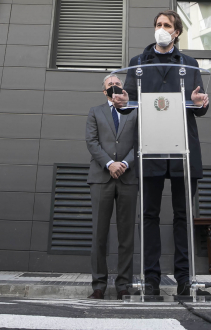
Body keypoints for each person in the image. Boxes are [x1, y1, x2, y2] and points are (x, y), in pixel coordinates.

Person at [119, 10, 209, 297]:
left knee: (183, 216)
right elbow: (129, 102)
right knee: (149, 215)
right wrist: (122, 102)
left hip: (182, 148)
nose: (161, 29)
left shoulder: (189, 63)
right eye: (158, 24)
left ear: (176, 33)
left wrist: (199, 102)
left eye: (166, 25)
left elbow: (200, 104)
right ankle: (151, 279)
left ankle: (184, 279)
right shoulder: (138, 63)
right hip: (150, 148)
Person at [85, 74, 138, 300]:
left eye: (118, 84)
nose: (114, 87)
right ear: (103, 90)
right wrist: (110, 163)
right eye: (110, 85)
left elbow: (141, 142)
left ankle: (123, 284)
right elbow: (92, 142)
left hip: (128, 178)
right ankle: (99, 285)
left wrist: (124, 163)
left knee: (126, 235)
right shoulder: (95, 112)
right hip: (101, 177)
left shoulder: (134, 111)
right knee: (99, 233)